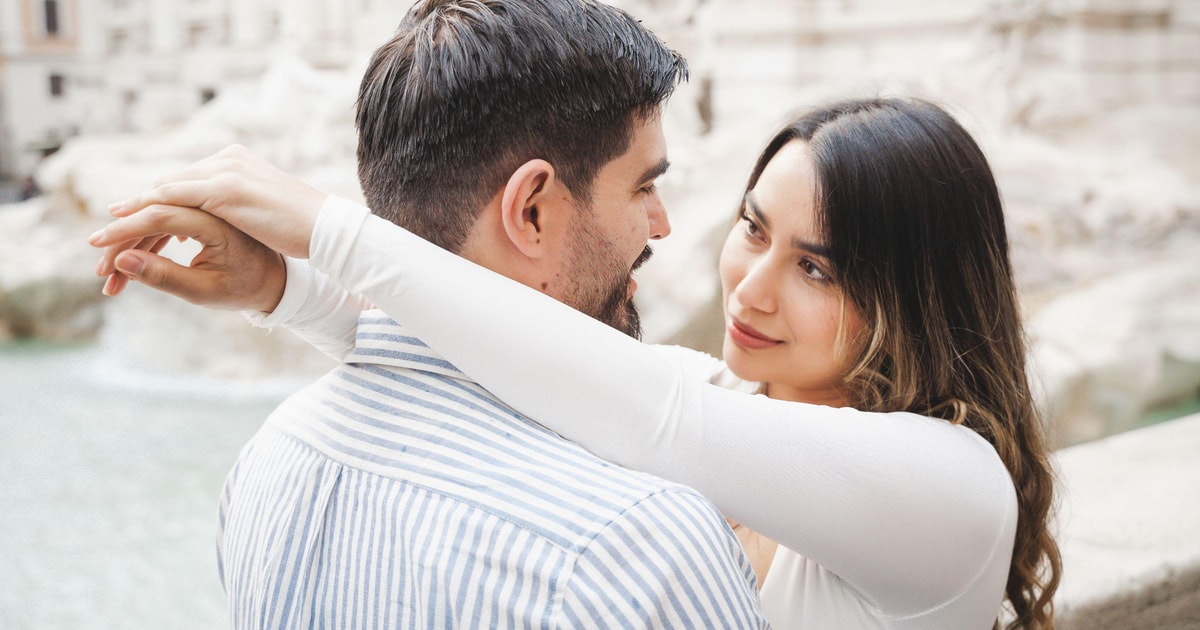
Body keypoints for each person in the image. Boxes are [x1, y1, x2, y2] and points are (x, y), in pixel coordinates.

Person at [96, 97, 1063, 628]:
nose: (751, 288)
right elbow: (513, 365)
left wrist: (335, 232)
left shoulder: (956, 488)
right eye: (752, 230)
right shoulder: (739, 402)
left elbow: (647, 409)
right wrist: (281, 288)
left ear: (922, 293)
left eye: (815, 266)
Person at [92, 1, 773, 627]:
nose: (662, 223)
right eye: (644, 185)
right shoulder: (641, 548)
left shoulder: (269, 458)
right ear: (531, 211)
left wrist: (293, 290)